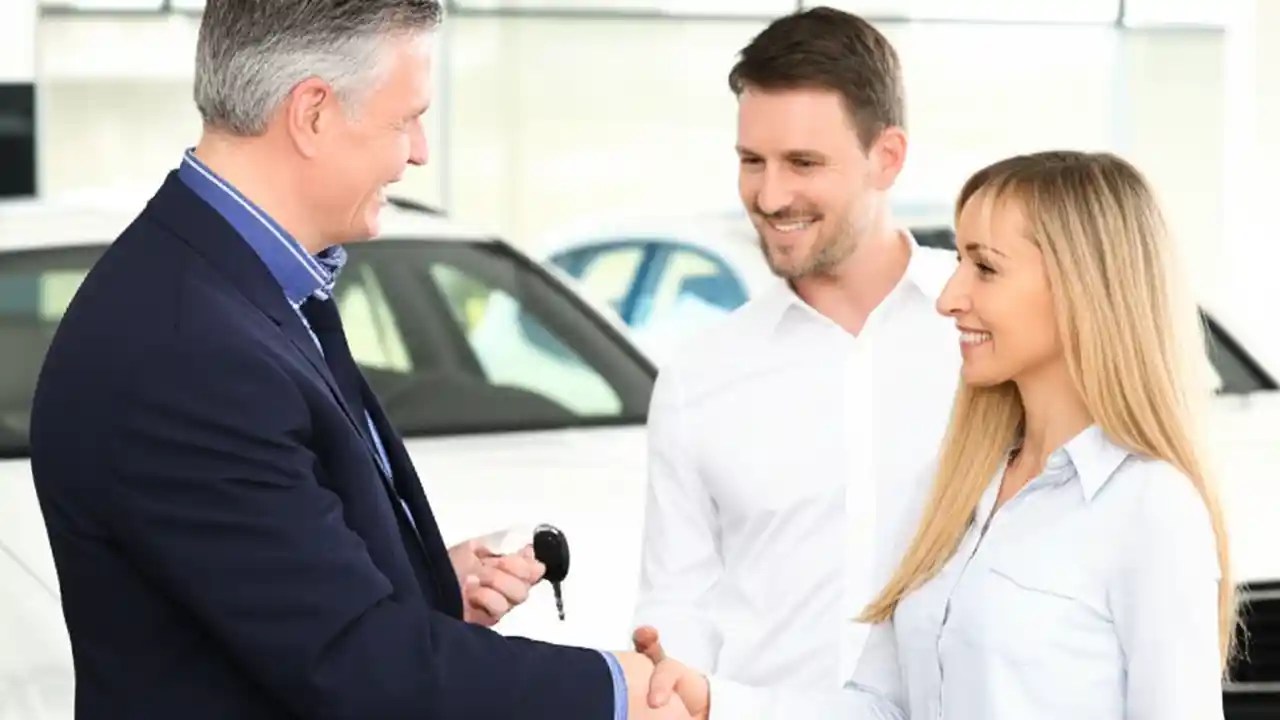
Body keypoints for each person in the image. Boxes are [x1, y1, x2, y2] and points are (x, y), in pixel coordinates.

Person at [28, 2, 690, 719]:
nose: (419, 152)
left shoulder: (240, 289)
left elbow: (273, 597)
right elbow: (353, 663)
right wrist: (619, 691)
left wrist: (424, 588)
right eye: (405, 118)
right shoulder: (187, 350)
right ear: (312, 113)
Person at [636, 150, 1237, 720]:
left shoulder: (1150, 509)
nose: (950, 299)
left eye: (985, 268)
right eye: (957, 263)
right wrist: (717, 702)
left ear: (1082, 287)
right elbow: (882, 707)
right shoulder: (953, 487)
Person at [630, 6, 961, 718]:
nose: (770, 196)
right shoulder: (701, 376)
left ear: (888, 157)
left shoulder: (980, 334)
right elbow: (676, 612)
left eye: (803, 163)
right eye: (752, 161)